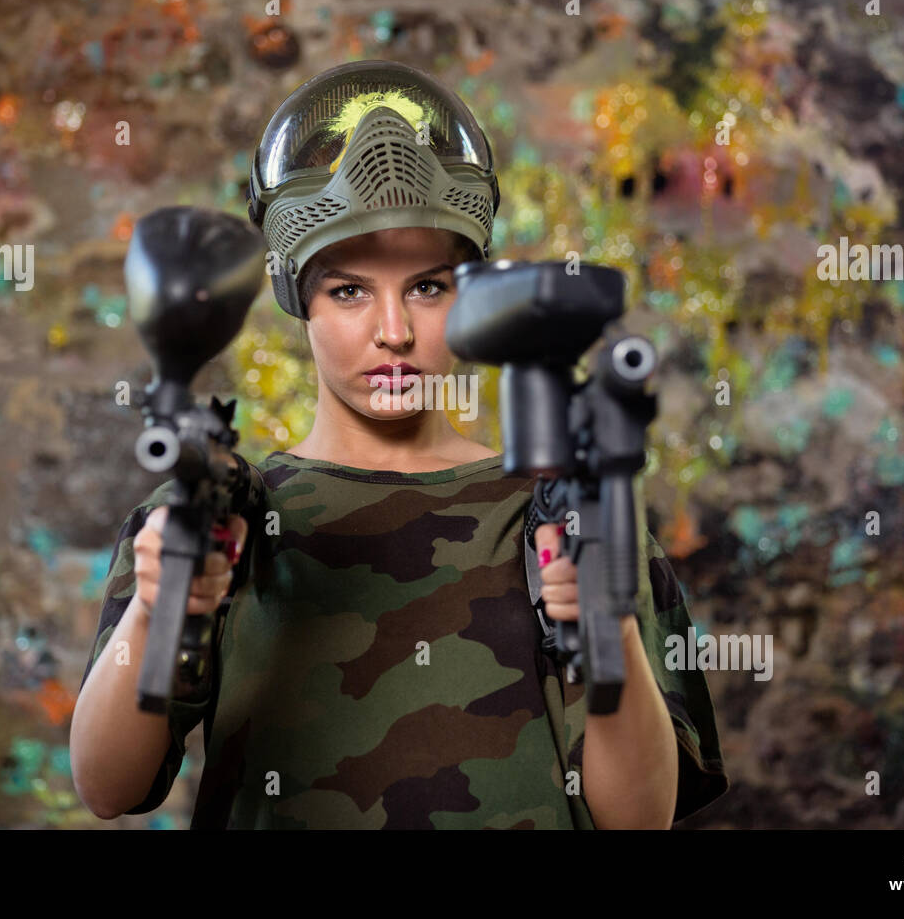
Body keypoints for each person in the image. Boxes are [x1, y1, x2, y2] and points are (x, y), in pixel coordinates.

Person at [70, 60, 728, 828]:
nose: (394, 331)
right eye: (349, 290)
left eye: (428, 286)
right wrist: (157, 611)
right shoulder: (217, 517)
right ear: (299, 301)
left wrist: (608, 628)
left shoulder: (571, 517)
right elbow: (109, 788)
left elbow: (637, 819)